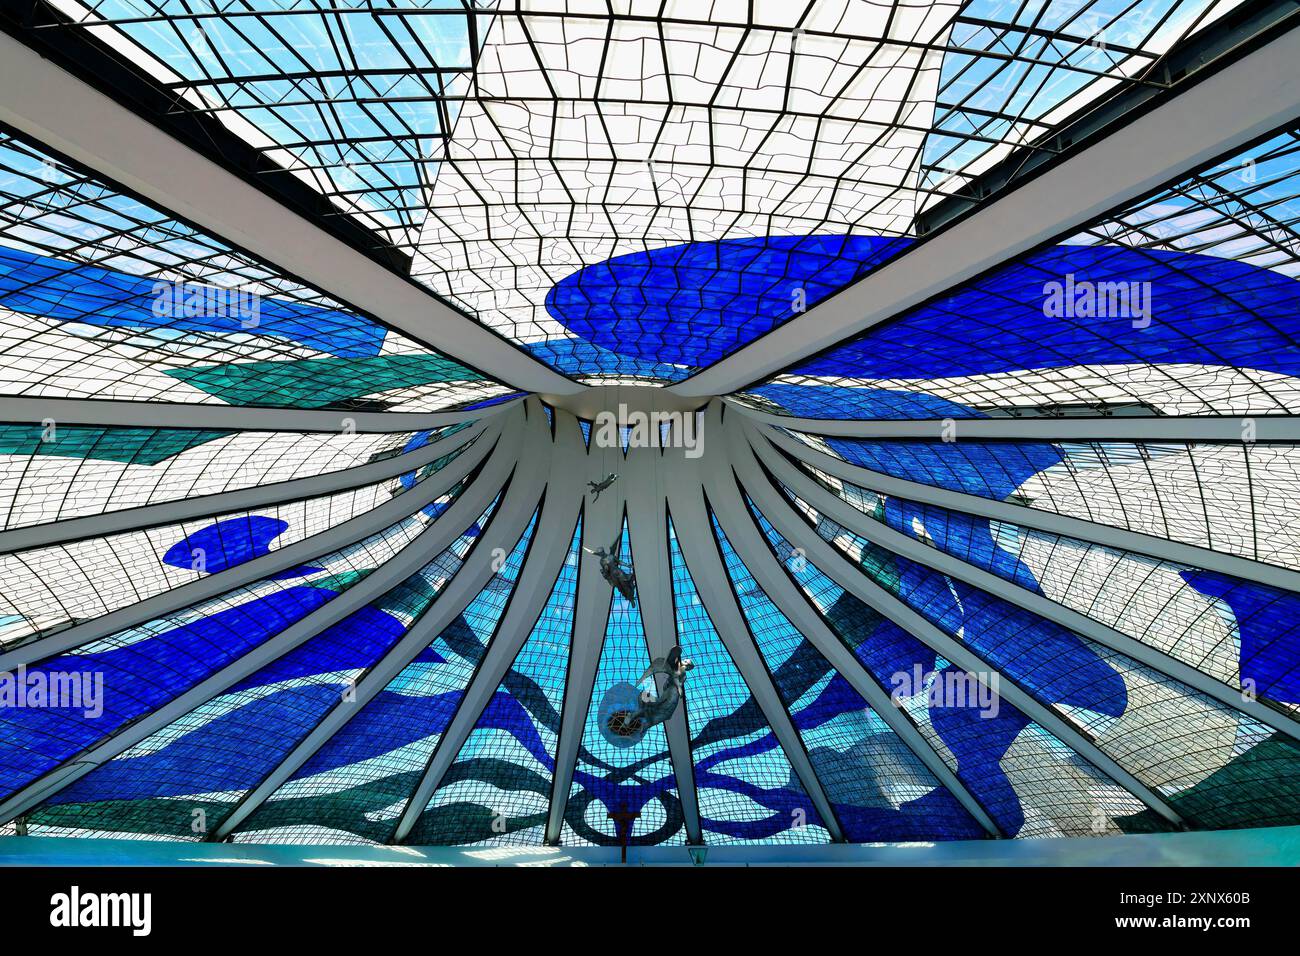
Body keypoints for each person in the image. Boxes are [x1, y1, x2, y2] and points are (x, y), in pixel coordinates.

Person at [627, 646, 693, 732]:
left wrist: (676, 686)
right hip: (672, 693)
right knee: (661, 709)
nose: (686, 665)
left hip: (672, 693)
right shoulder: (679, 669)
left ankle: (637, 717)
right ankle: (638, 718)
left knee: (663, 711)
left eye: (688, 666)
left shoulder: (682, 672)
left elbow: (671, 681)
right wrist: (679, 688)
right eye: (685, 662)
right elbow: (675, 678)